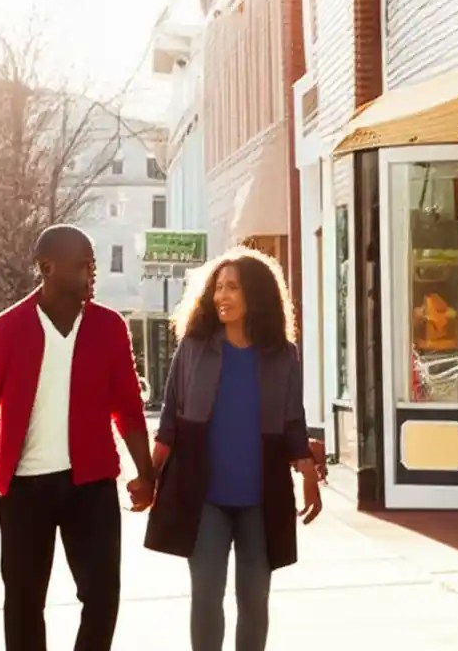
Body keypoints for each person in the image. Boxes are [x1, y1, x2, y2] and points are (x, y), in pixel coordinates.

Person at [0, 225, 156, 651]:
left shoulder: (110, 328)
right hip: (24, 490)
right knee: (23, 604)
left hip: (91, 487)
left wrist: (145, 472)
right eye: (83, 265)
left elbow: (129, 409)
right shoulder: (6, 331)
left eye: (94, 265)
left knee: (102, 597)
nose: (92, 274)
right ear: (47, 268)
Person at [145, 246, 322, 651]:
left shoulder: (282, 355)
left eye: (233, 288)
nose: (222, 296)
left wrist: (309, 476)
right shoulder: (194, 348)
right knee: (206, 596)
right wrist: (150, 477)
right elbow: (170, 421)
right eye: (218, 288)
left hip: (261, 500)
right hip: (205, 498)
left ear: (255, 295)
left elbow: (293, 422)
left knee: (254, 600)